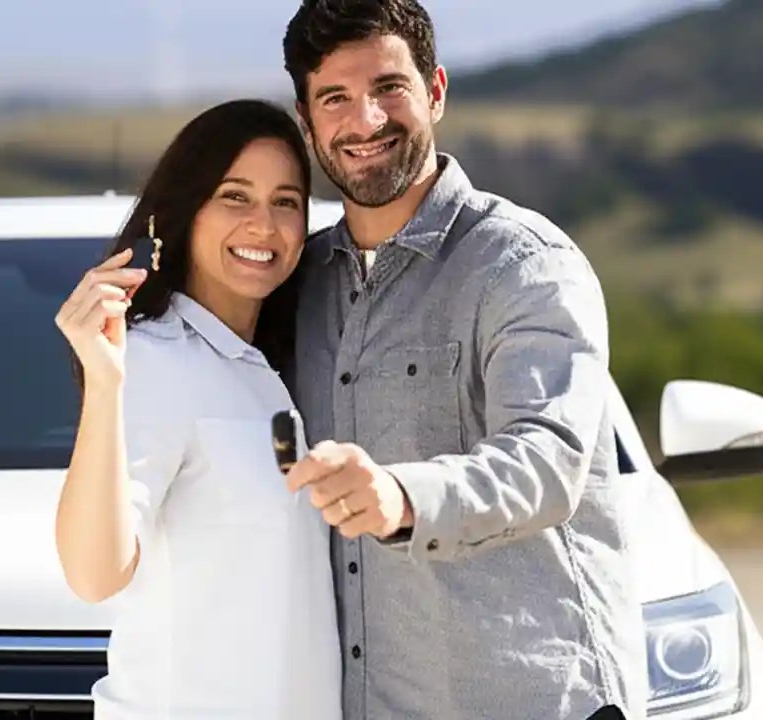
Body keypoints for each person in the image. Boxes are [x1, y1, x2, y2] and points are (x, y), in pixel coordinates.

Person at [277, 1, 648, 719]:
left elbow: (547, 460)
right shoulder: (303, 285)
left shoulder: (523, 264)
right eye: (335, 98)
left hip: (535, 700)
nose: (366, 121)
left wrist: (403, 497)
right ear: (307, 119)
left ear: (436, 91)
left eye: (389, 87)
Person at [52, 99, 341, 720]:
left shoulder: (271, 371)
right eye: (235, 196)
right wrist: (104, 384)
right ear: (186, 210)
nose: (263, 225)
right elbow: (94, 574)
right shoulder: (154, 360)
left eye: (286, 201)